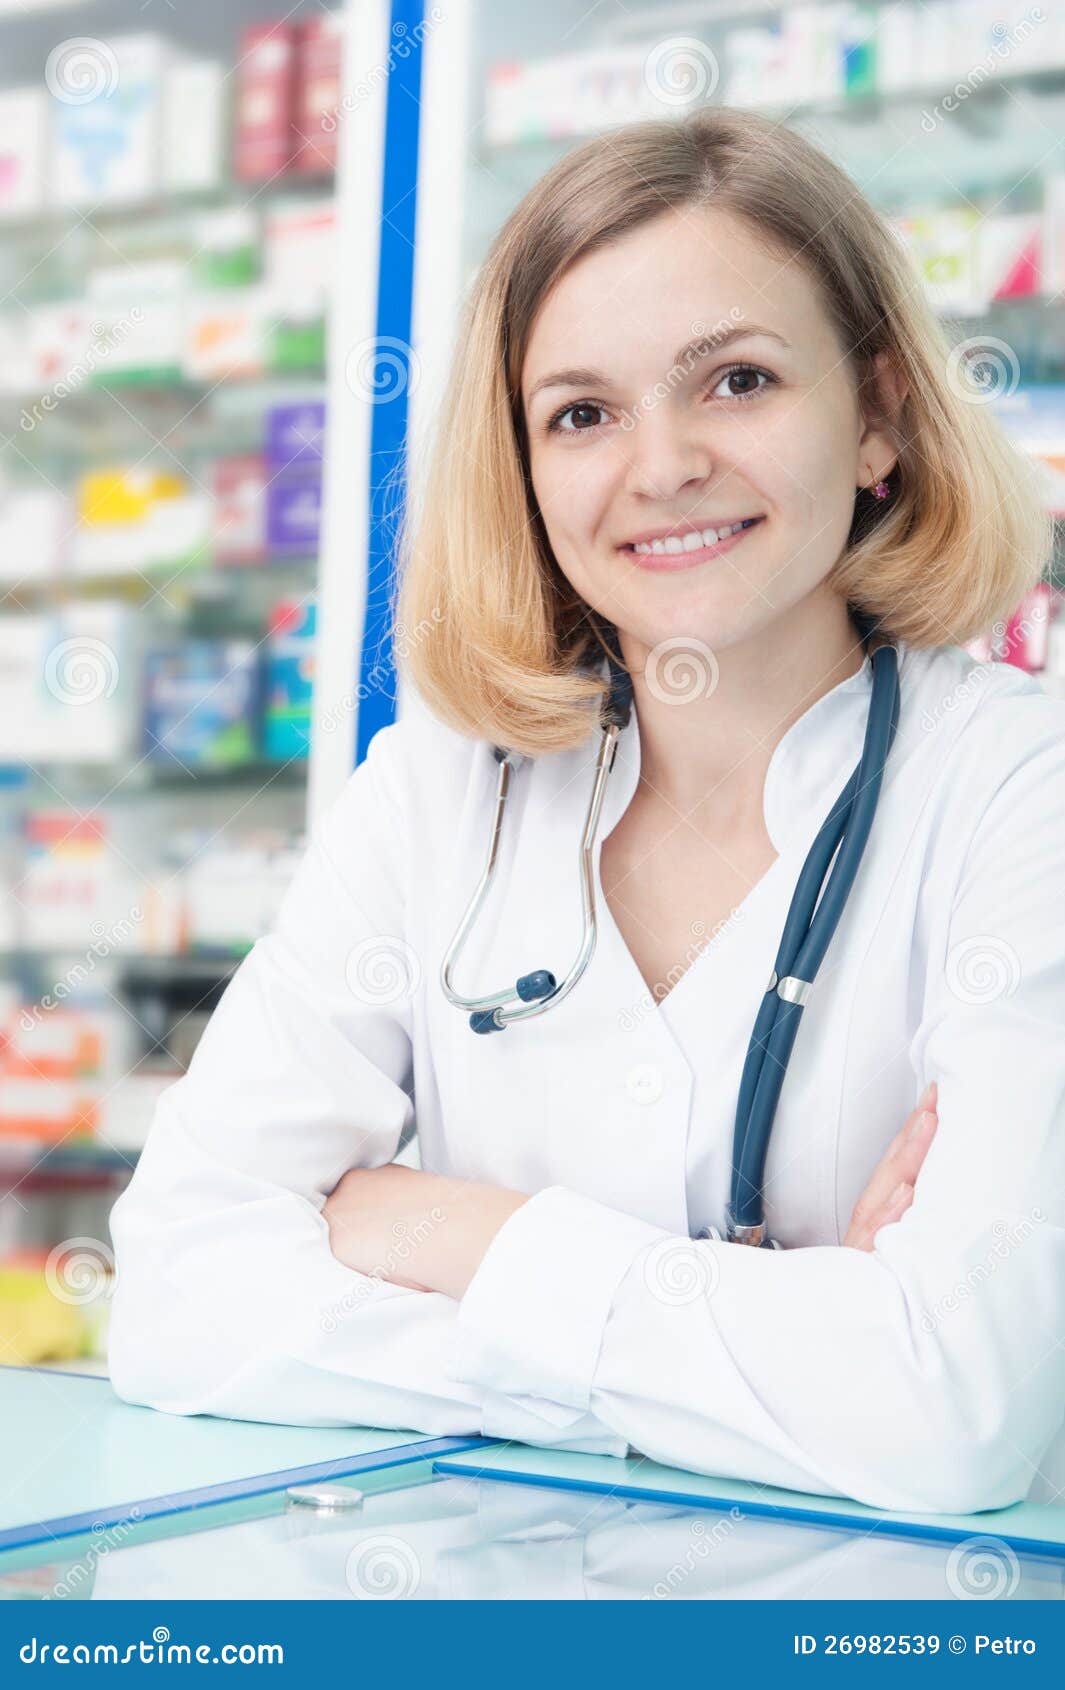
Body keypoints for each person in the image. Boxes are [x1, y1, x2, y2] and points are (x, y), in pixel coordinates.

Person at [108, 108, 1065, 1517]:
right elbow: (178, 1295)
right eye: (580, 413)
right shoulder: (444, 793)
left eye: (735, 380)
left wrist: (454, 1232)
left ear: (878, 417)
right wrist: (758, 1342)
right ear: (524, 468)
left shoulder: (1016, 792)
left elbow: (953, 1412)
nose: (660, 464)